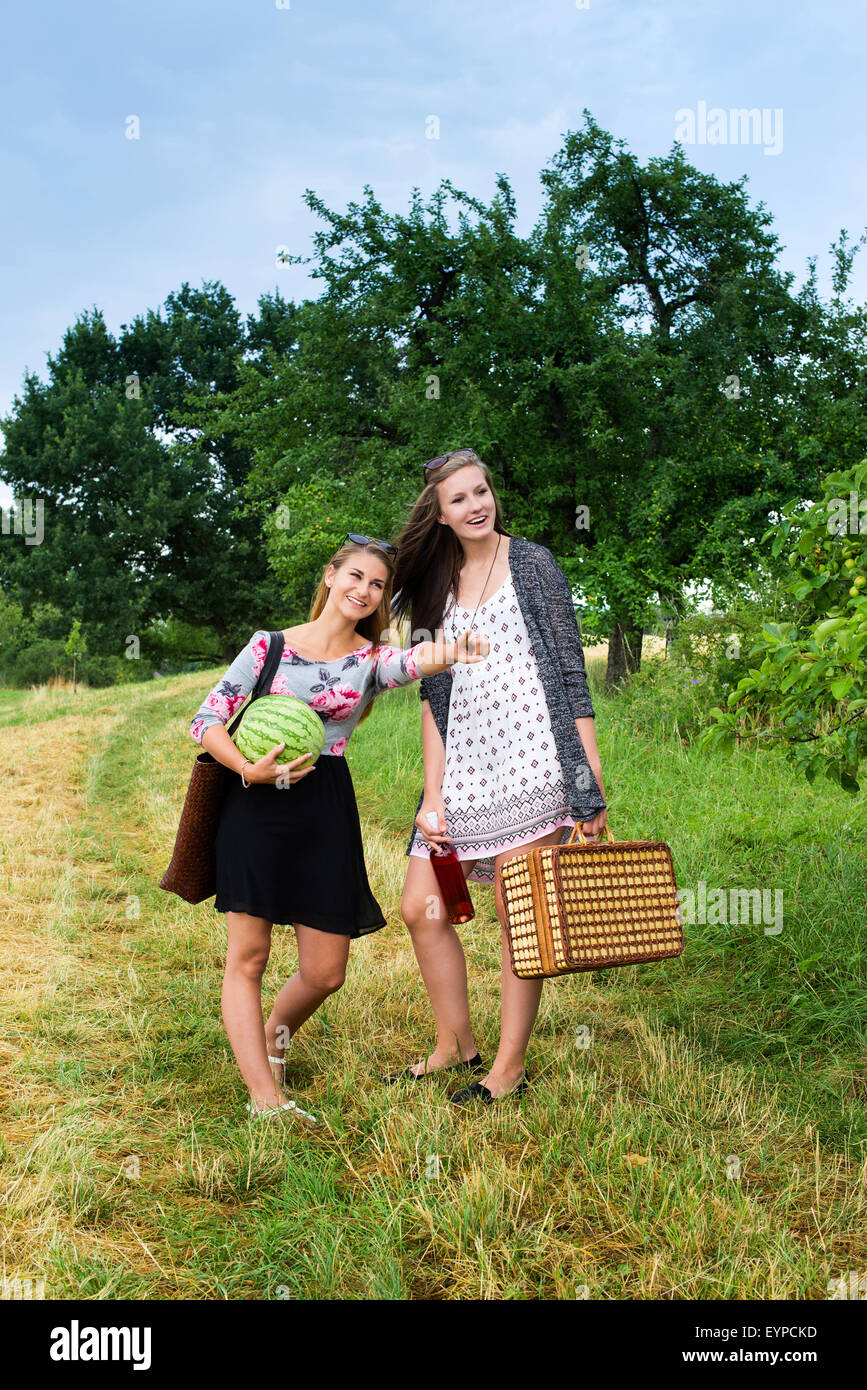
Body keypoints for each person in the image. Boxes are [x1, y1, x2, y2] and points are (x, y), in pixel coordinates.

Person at [189, 534, 489, 1122]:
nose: (364, 591)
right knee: (248, 956)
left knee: (326, 971)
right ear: (330, 576)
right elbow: (206, 722)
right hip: (256, 803)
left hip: (325, 806)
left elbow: (412, 661)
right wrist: (250, 768)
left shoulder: (368, 660)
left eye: (377, 585)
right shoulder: (269, 646)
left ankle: (272, 1034)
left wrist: (458, 647)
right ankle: (265, 1097)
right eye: (355, 577)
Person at [386, 451, 608, 1106]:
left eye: (481, 492)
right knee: (420, 907)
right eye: (459, 499)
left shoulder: (533, 565)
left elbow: (571, 674)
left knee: (520, 917)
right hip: (465, 771)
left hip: (536, 763)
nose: (475, 505)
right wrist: (431, 795)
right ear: (440, 513)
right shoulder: (433, 586)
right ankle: (455, 1043)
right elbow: (433, 698)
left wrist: (585, 780)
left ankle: (506, 1067)